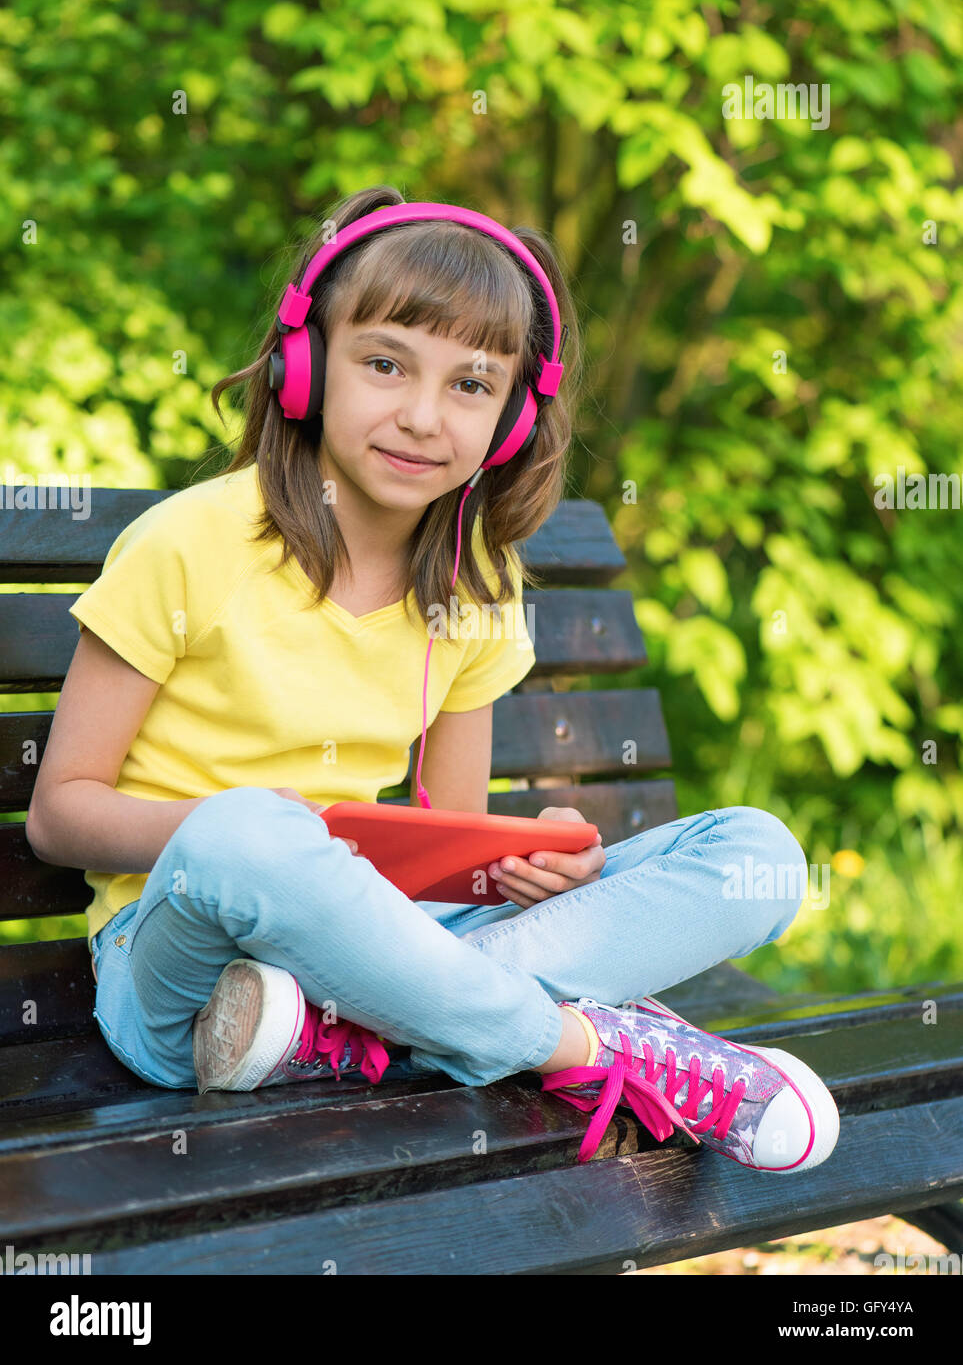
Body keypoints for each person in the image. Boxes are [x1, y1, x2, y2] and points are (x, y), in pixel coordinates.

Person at [26, 185, 839, 1173]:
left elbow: (444, 855)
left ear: (507, 420)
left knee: (755, 851)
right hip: (175, 980)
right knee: (248, 832)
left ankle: (367, 1032)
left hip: (376, 948)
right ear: (307, 366)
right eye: (384, 364)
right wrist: (280, 831)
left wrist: (527, 867)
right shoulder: (188, 545)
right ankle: (590, 1047)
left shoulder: (475, 585)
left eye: (470, 384)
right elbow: (60, 816)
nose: (420, 415)